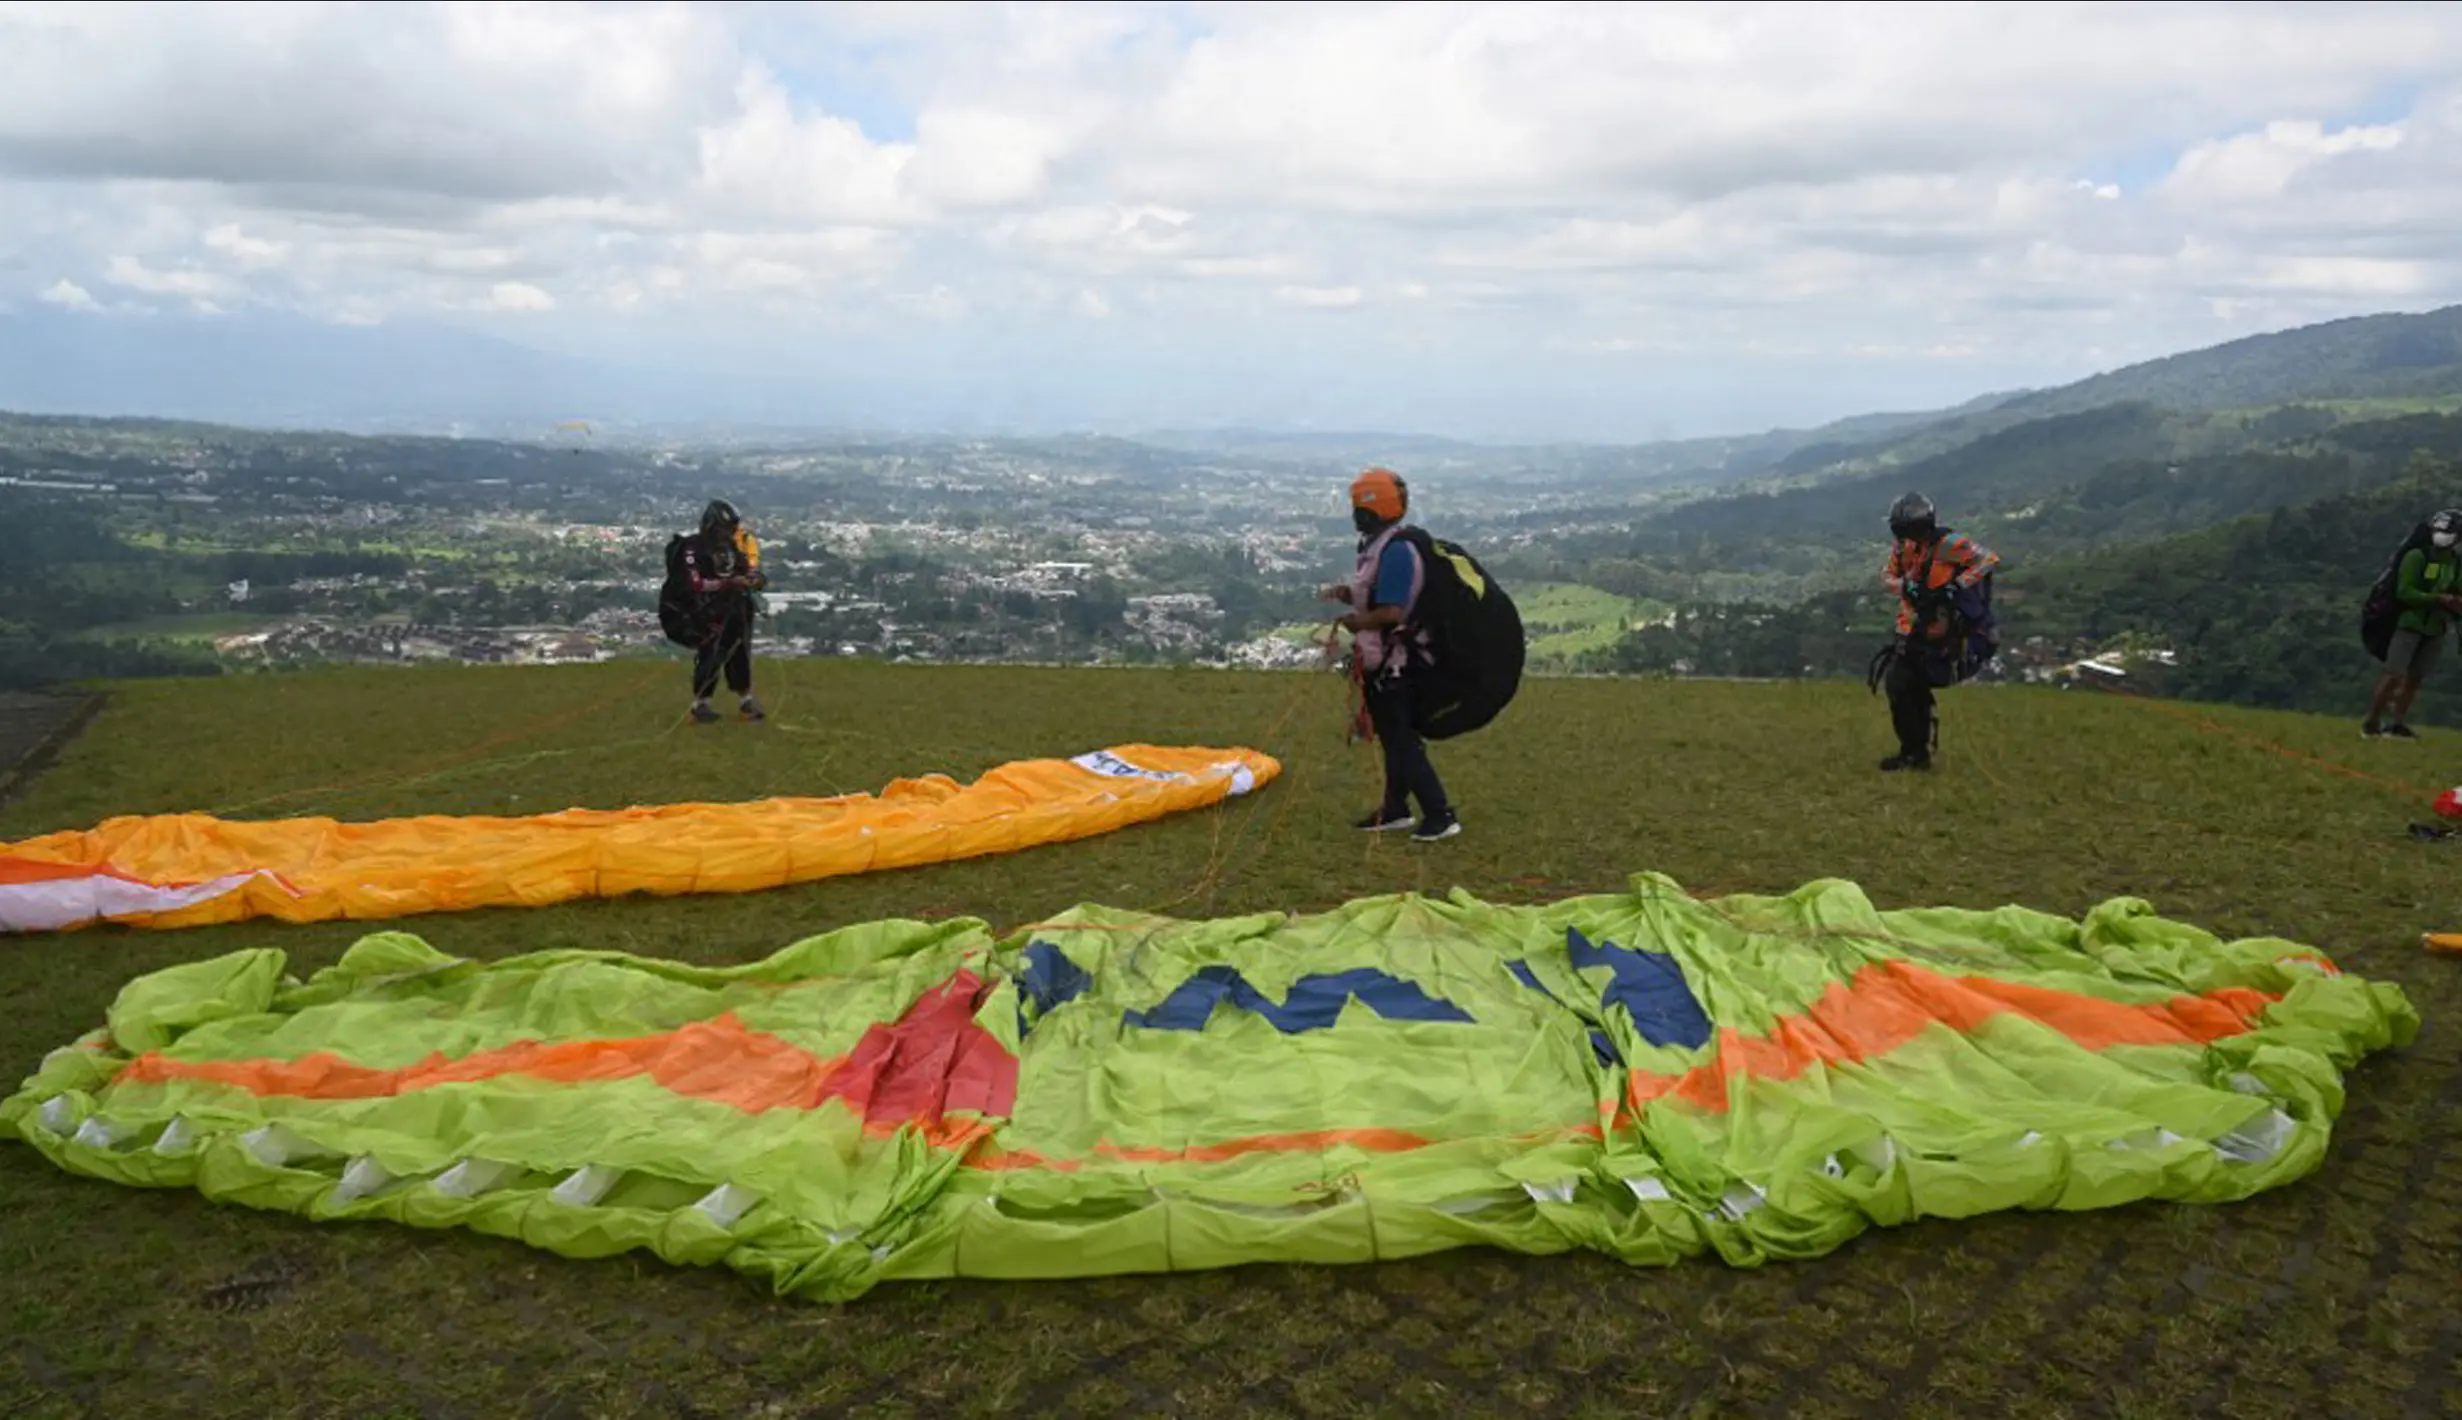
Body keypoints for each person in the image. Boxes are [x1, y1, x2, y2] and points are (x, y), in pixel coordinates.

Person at [1319, 467, 1461, 841]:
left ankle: (1440, 815)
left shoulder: (1396, 551)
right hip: (1388, 661)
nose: (1355, 516)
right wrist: (1348, 595)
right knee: (1395, 737)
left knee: (1401, 741)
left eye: (1359, 509)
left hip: (1398, 665)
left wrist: (1356, 623)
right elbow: (1379, 596)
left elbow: (1391, 612)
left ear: (1372, 508)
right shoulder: (1384, 546)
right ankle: (1395, 809)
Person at [1876, 491, 1999, 772]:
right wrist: (1907, 587)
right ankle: (1914, 750)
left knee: (1905, 683)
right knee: (1901, 684)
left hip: (1942, 630)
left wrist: (1956, 586)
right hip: (1914, 628)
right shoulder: (1904, 548)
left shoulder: (1948, 544)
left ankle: (1915, 751)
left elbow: (1988, 560)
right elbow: (1886, 576)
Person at [2363, 508, 2462, 740]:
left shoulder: (2454, 562)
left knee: (2414, 678)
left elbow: (2456, 587)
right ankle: (2372, 722)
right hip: (2409, 624)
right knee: (2393, 675)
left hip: (2435, 627)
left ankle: (2397, 724)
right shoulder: (2417, 557)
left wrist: (2454, 601)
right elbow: (2405, 592)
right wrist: (2437, 599)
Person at [679, 498, 767, 723]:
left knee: (740, 653)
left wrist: (754, 579)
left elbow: (747, 571)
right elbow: (695, 583)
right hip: (709, 610)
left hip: (737, 607)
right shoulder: (693, 549)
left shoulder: (731, 548)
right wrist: (726, 583)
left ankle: (746, 701)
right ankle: (700, 705)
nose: (728, 534)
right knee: (711, 655)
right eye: (724, 529)